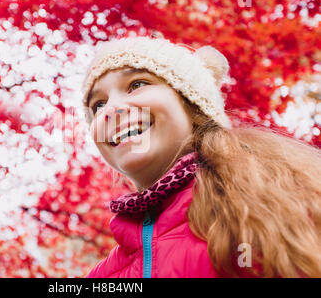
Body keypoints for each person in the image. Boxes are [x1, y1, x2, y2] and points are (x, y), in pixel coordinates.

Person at [80, 36, 321, 278]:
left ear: (192, 105)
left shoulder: (282, 203)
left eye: (137, 84)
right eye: (98, 105)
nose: (110, 110)